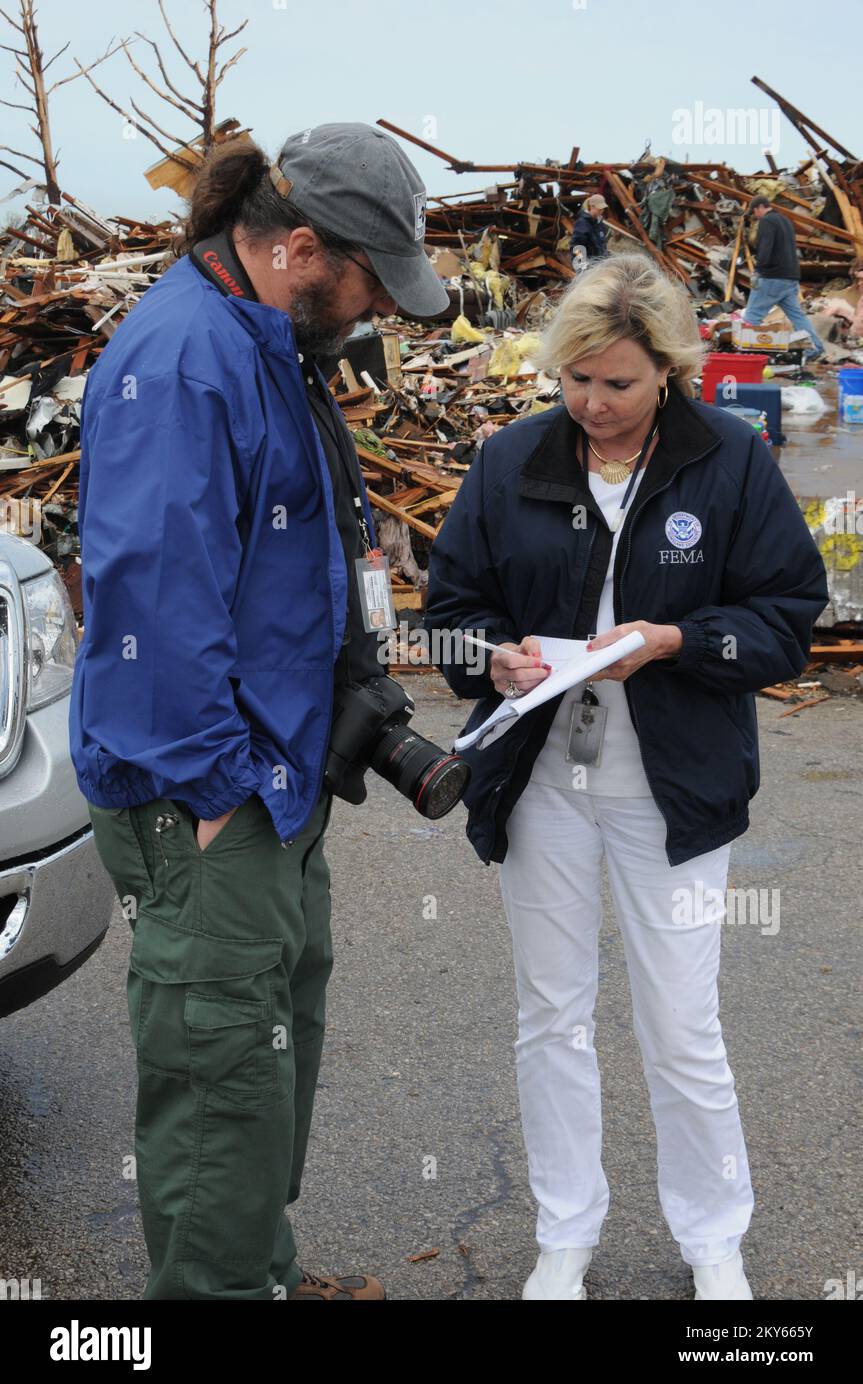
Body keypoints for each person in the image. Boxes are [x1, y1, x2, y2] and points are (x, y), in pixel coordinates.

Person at [69, 123, 448, 1301]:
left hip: (273, 776)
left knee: (270, 1064)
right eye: (369, 283)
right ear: (296, 246)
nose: (373, 311)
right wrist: (214, 796)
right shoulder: (186, 359)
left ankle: (261, 1276)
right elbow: (155, 601)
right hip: (209, 788)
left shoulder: (265, 336)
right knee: (219, 1089)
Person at [424, 253, 827, 1301]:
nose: (592, 405)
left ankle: (711, 1237)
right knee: (548, 1011)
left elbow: (786, 618)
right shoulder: (508, 457)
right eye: (575, 381)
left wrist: (677, 639)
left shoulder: (730, 463)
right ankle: (566, 1232)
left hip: (674, 790)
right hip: (542, 780)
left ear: (668, 372)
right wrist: (492, 654)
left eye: (618, 384)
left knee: (680, 1023)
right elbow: (449, 614)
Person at [742, 195, 825, 360]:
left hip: (772, 276)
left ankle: (751, 355)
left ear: (759, 207)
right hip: (791, 276)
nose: (755, 216)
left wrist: (758, 270)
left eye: (754, 212)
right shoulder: (785, 220)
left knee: (752, 316)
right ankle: (815, 348)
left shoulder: (766, 221)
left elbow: (765, 248)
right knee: (797, 316)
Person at [570, 194, 610, 269]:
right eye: (600, 209)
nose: (602, 211)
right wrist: (582, 264)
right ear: (592, 207)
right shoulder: (582, 223)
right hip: (587, 265)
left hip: (599, 264)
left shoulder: (599, 223)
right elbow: (576, 245)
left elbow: (601, 244)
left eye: (603, 209)